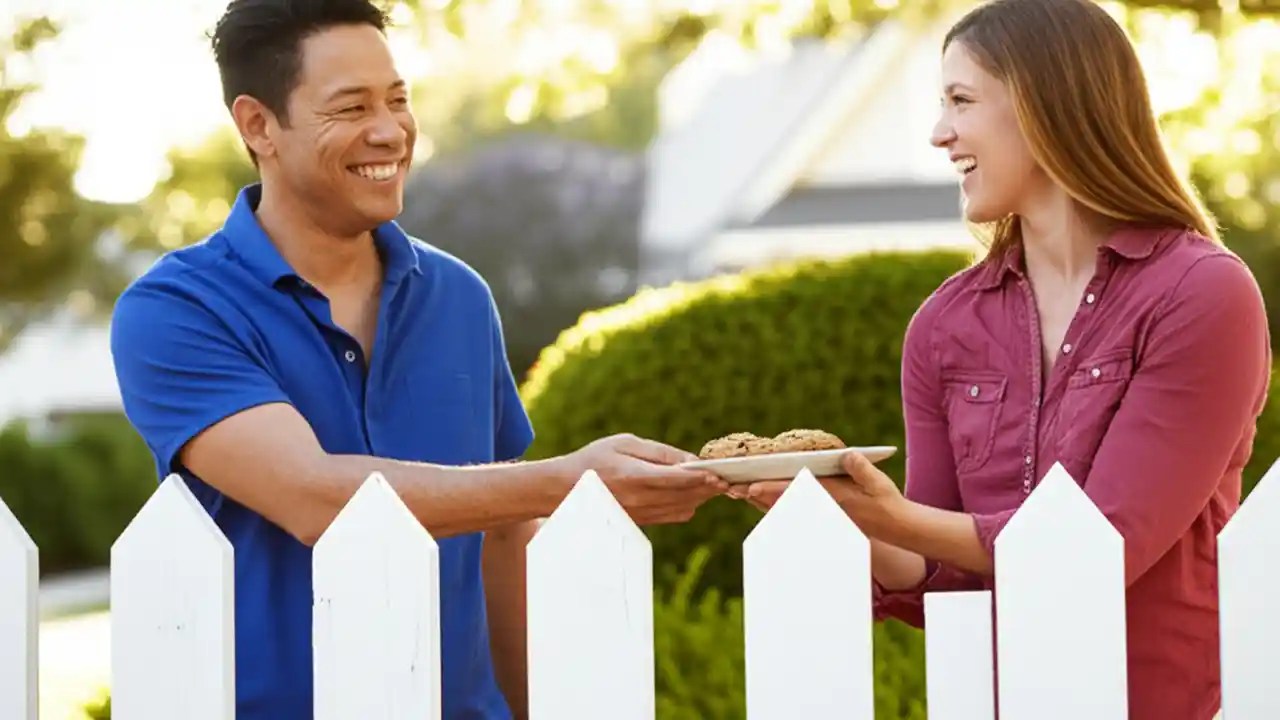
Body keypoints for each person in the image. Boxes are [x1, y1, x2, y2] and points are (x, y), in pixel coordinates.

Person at [107, 1, 727, 718]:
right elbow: (315, 499)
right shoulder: (177, 310)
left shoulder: (460, 296)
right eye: (351, 107)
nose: (389, 131)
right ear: (258, 125)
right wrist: (566, 479)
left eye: (398, 100)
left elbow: (503, 534)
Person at [732, 0, 1271, 718]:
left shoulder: (1203, 294)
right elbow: (948, 580)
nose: (939, 133)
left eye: (961, 100)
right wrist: (848, 519)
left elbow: (1106, 546)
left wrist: (894, 516)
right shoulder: (944, 325)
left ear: (1049, 105)